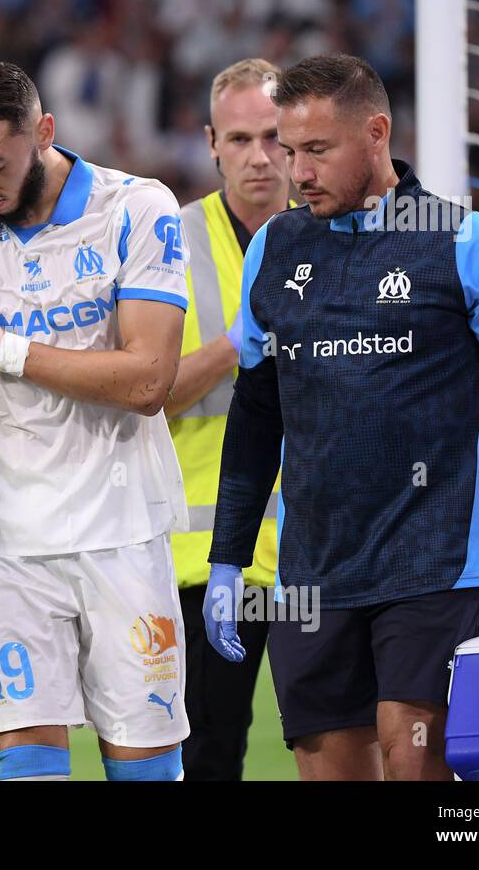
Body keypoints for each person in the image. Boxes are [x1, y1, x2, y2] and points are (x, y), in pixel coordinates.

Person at [203, 54, 479, 780]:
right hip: (312, 571)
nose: (295, 171)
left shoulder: (464, 244)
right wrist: (227, 558)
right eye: (287, 149)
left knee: (415, 761)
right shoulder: (275, 248)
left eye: (317, 150)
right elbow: (256, 415)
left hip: (436, 560)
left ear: (376, 133)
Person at [0, 60, 192, 782]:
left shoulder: (137, 210)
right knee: (24, 766)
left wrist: (0, 347)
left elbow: (148, 379)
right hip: (0, 540)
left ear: (44, 131)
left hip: (120, 528)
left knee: (144, 767)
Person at [167, 58, 294, 780]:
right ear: (210, 141)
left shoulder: (337, 237)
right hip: (206, 561)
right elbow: (149, 397)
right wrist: (237, 343)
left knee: (334, 744)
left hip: (323, 553)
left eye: (274, 137)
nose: (259, 156)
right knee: (209, 752)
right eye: (240, 138)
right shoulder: (168, 243)